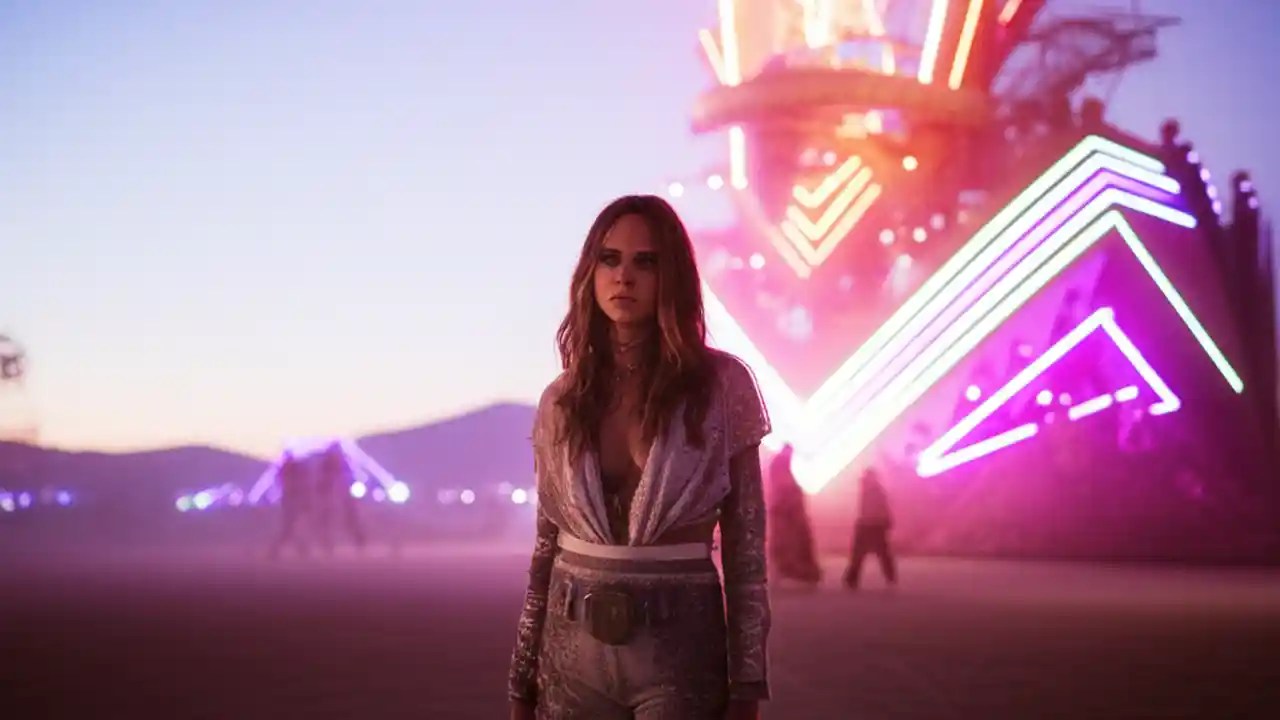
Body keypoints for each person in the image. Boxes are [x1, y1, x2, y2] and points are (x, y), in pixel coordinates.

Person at [508, 195, 772, 720]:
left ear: (670, 275)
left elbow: (746, 549)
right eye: (610, 259)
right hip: (570, 656)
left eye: (644, 261)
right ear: (590, 272)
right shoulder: (562, 399)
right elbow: (545, 548)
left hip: (680, 653)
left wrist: (747, 681)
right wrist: (521, 677)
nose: (623, 276)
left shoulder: (722, 386)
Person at [766, 444, 821, 585]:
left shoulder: (780, 468)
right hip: (787, 516)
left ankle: (786, 571)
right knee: (790, 545)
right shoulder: (783, 470)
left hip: (784, 514)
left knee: (785, 545)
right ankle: (797, 572)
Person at [842, 467, 897, 589]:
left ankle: (852, 579)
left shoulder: (871, 491)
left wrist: (885, 519)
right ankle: (852, 579)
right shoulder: (873, 491)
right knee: (877, 554)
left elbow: (880, 508)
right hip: (871, 524)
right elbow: (882, 508)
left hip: (871, 524)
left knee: (864, 554)